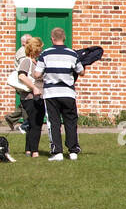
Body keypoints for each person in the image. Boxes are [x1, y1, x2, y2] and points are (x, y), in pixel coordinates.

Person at [35, 27, 84, 161]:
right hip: (68, 92)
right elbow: (81, 71)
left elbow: (37, 74)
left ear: (52, 38)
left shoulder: (45, 54)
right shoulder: (72, 54)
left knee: (54, 122)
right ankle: (73, 150)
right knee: (71, 121)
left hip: (51, 93)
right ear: (64, 38)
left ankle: (57, 152)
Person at [17, 36, 45, 157]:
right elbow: (21, 76)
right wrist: (34, 88)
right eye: (39, 48)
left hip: (35, 96)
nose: (41, 50)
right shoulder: (27, 61)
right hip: (31, 97)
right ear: (35, 49)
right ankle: (35, 151)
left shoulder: (35, 62)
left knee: (31, 123)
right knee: (36, 124)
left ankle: (28, 150)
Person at [6, 34, 32, 133]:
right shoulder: (22, 52)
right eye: (29, 40)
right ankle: (26, 124)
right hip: (23, 82)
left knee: (24, 102)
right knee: (26, 101)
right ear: (24, 42)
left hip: (24, 81)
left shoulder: (26, 51)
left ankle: (11, 118)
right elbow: (24, 68)